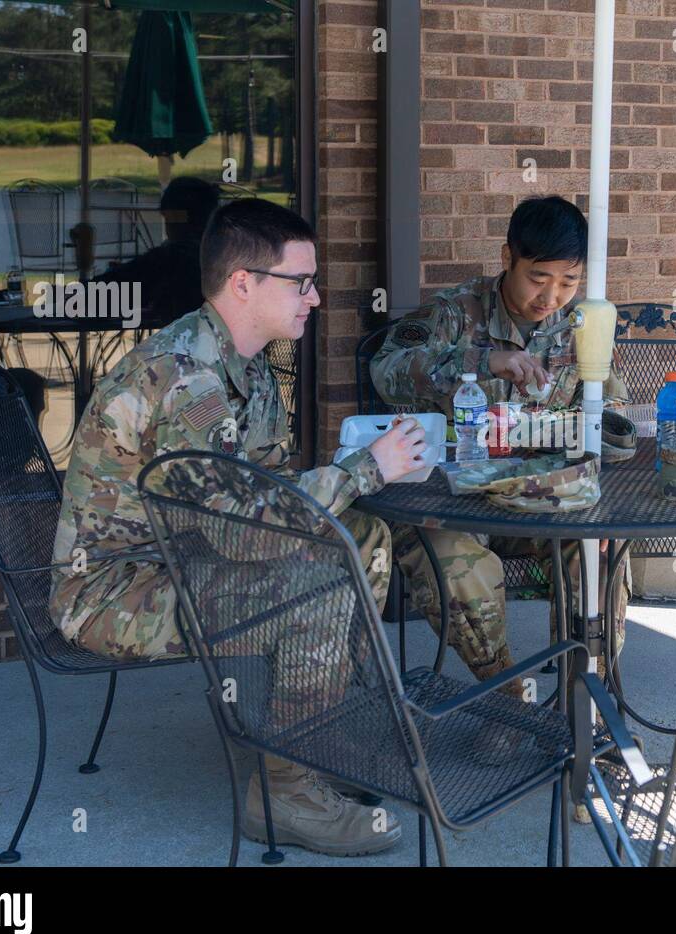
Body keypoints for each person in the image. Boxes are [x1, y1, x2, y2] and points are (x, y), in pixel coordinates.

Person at [50, 198, 427, 857]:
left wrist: (351, 482)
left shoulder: (246, 363)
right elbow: (243, 533)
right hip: (115, 589)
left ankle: (320, 729)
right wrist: (366, 470)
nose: (314, 298)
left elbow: (267, 486)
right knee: (318, 583)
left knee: (360, 539)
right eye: (300, 282)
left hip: (183, 553)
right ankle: (282, 796)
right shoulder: (187, 381)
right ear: (244, 283)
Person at [370, 196, 630, 705]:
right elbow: (386, 373)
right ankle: (507, 692)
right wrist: (482, 360)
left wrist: (586, 435)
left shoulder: (581, 325)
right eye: (538, 277)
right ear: (507, 256)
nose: (550, 296)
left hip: (541, 502)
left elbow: (610, 409)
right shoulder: (454, 310)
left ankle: (586, 696)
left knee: (599, 554)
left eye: (568, 282)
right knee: (450, 561)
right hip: (451, 503)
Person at [92, 176, 219, 324]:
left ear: (173, 218)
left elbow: (112, 289)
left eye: (166, 217)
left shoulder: (172, 257)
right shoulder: (224, 257)